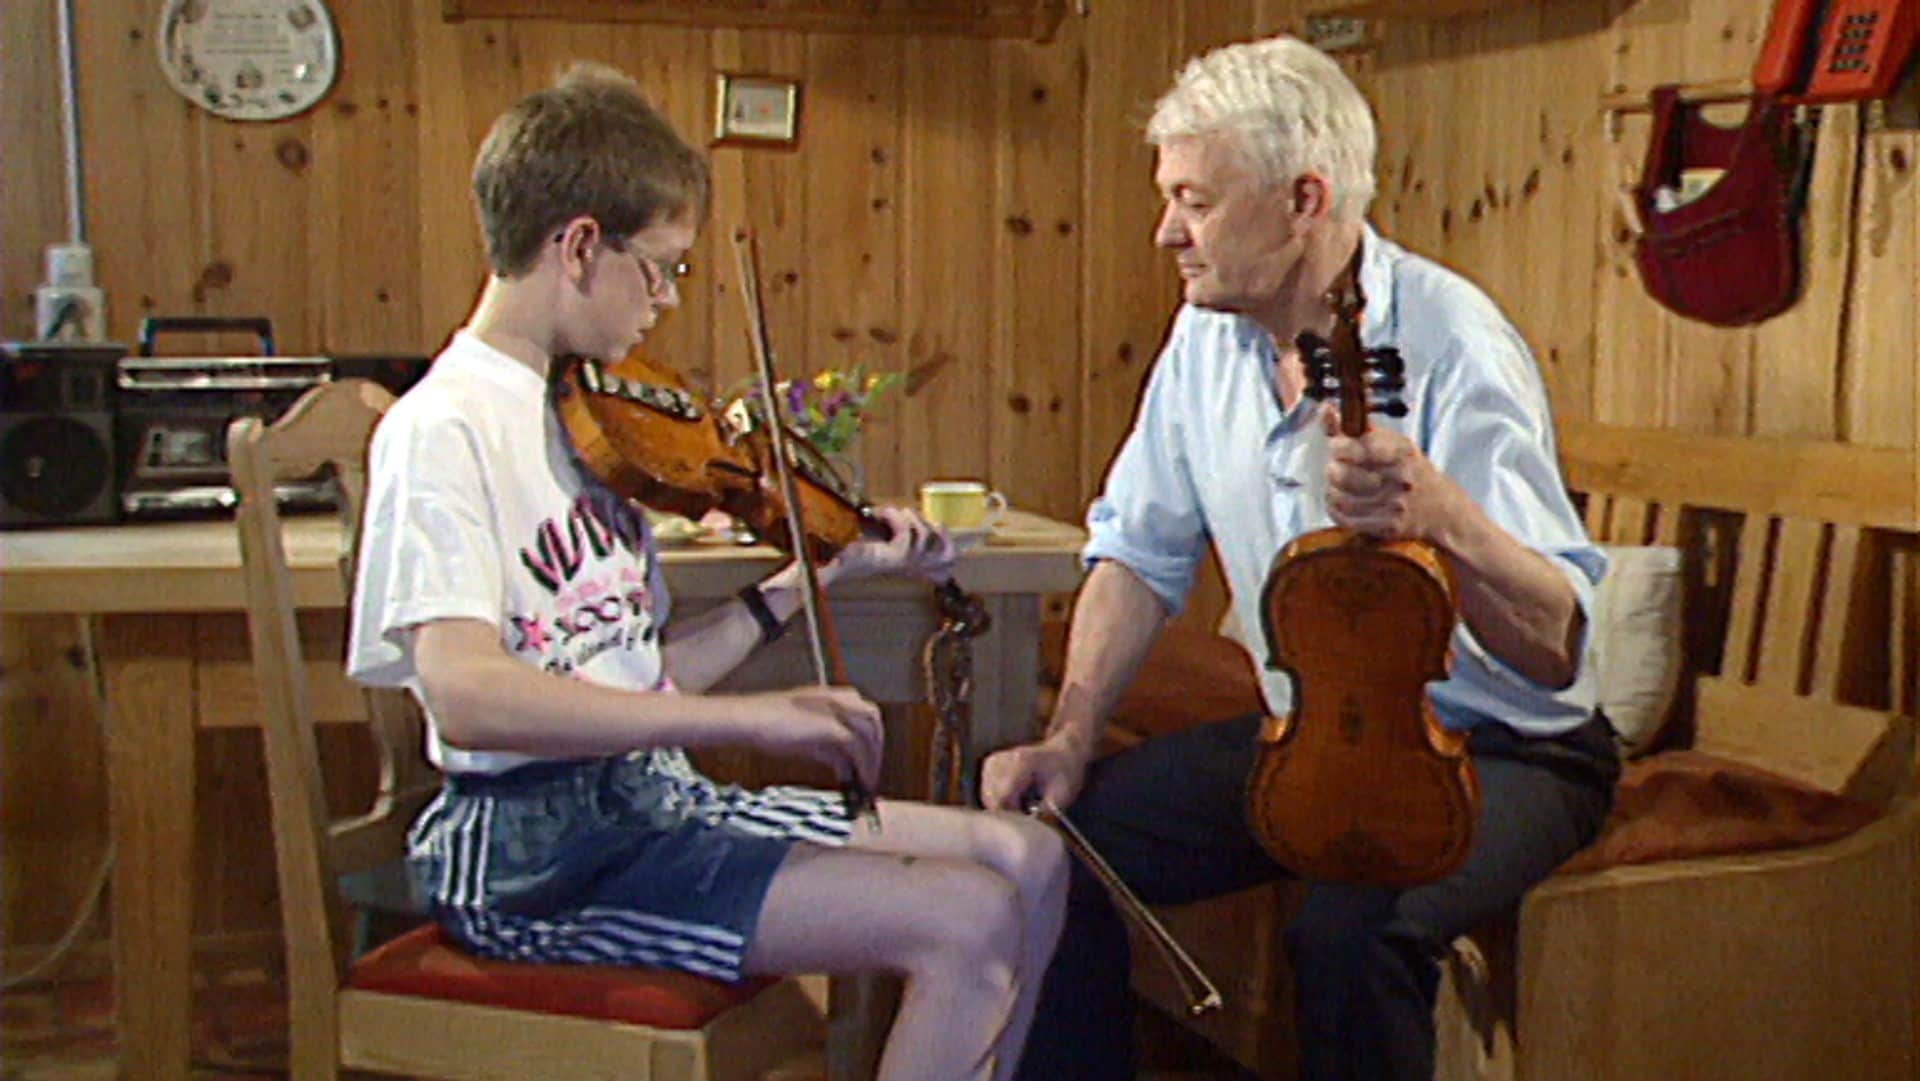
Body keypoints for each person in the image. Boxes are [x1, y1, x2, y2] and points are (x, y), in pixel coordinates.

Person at [346, 63, 1067, 1081]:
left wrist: (813, 576)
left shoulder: (587, 420)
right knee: (969, 915)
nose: (668, 299)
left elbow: (631, 675)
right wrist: (745, 721)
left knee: (1030, 858)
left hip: (651, 802)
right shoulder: (444, 427)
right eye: (660, 268)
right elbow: (465, 695)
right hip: (537, 857)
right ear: (580, 246)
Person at [980, 35, 1620, 1081]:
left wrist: (1447, 518)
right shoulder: (1205, 339)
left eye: (1194, 201)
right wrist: (1070, 734)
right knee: (1053, 847)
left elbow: (1557, 651)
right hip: (1314, 734)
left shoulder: (1456, 343)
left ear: (1304, 201)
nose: (1166, 232)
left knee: (1353, 932)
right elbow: (1139, 552)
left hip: (1507, 749)